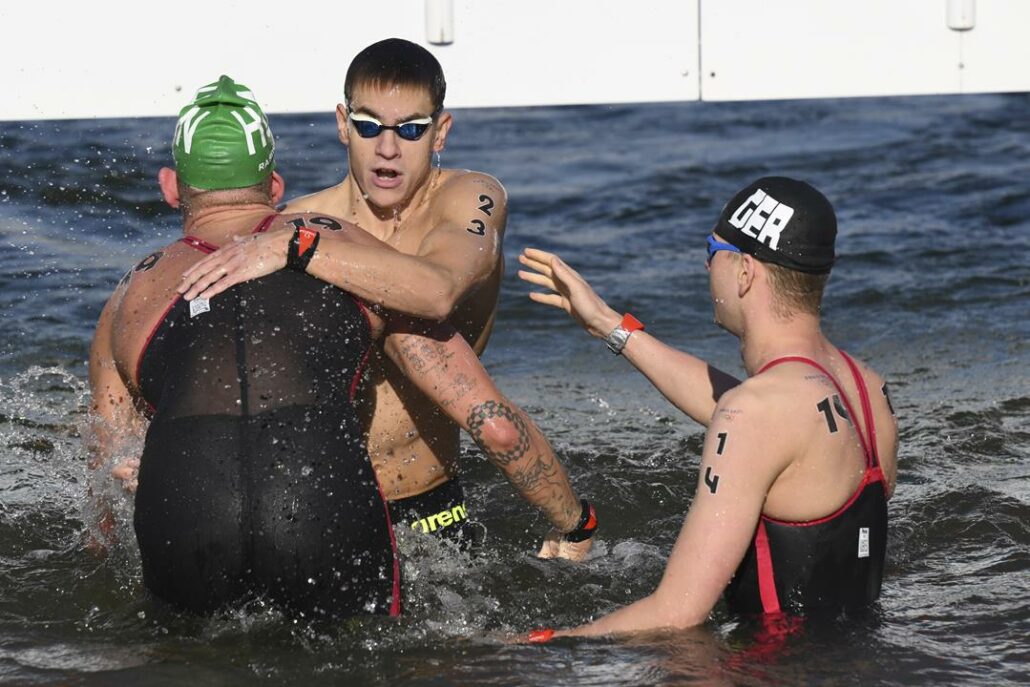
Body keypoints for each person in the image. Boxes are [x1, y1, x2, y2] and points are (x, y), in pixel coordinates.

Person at [87, 76, 595, 619]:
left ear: (169, 187)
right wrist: (577, 524)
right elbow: (491, 422)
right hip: (324, 508)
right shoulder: (343, 255)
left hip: (189, 515)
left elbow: (111, 473)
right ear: (276, 188)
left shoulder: (129, 297)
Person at [173, 39, 590, 556]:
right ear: (343, 124)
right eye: (369, 126)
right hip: (318, 501)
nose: (387, 149)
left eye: (411, 130)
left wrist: (300, 247)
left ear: (441, 132)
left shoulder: (469, 198)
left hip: (427, 502)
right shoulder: (292, 225)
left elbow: (437, 290)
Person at [517, 177, 898, 638]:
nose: (704, 264)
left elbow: (676, 614)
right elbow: (752, 415)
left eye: (711, 248)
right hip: (858, 657)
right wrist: (608, 325)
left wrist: (536, 646)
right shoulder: (864, 387)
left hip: (776, 670)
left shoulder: (756, 413)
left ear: (745, 272)